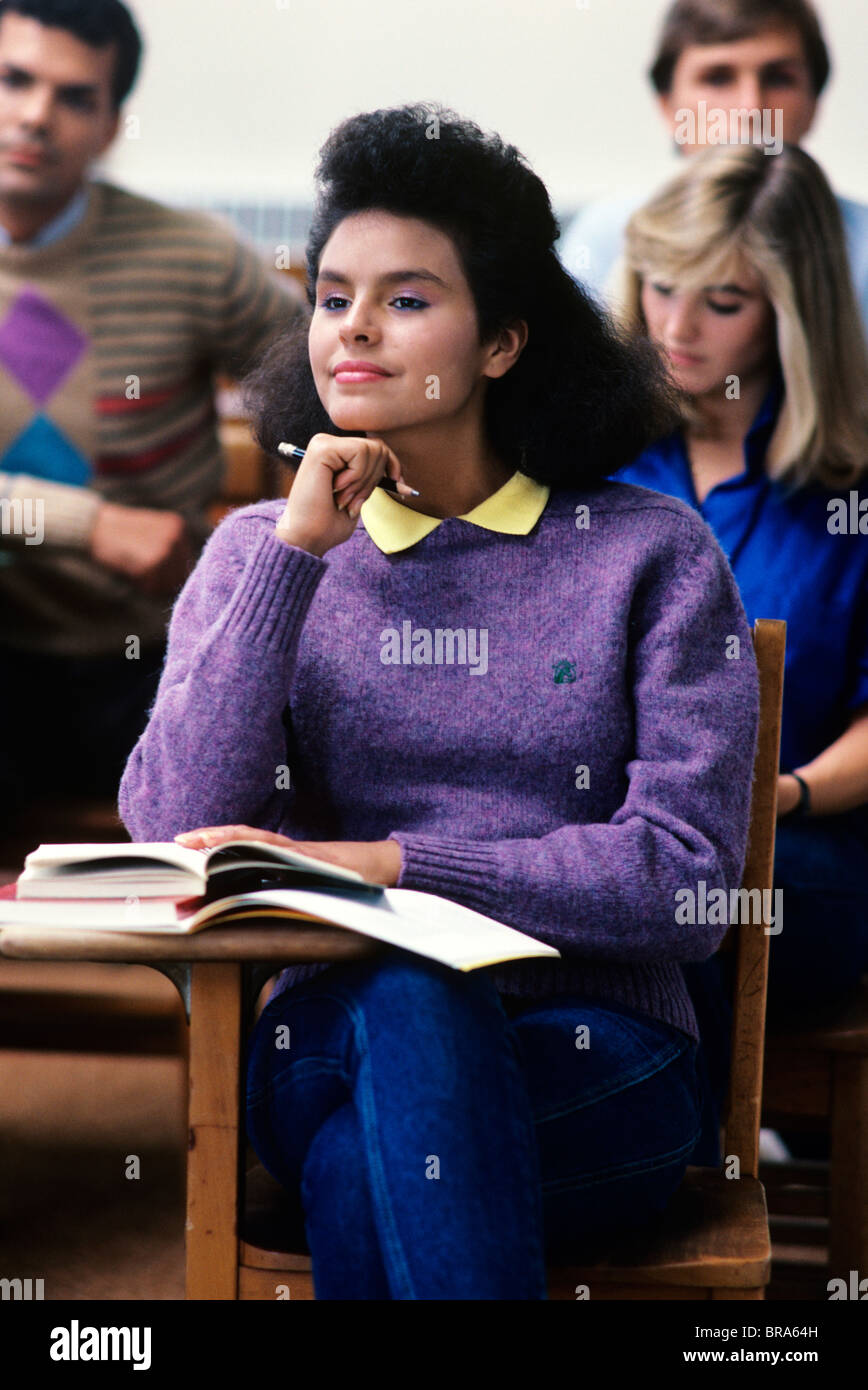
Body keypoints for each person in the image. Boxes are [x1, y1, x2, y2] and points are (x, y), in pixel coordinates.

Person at [119, 103, 759, 1300]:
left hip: (599, 1056)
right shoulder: (263, 550)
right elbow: (172, 830)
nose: (354, 325)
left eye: (407, 299)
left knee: (372, 1178)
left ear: (503, 341)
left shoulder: (645, 553)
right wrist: (296, 559)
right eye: (332, 295)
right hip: (326, 1040)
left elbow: (686, 877)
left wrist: (392, 865)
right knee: (409, 997)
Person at [0, 0, 302, 821]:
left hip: (155, 658)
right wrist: (87, 523)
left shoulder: (189, 258)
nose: (34, 115)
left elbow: (324, 384)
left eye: (73, 97)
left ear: (108, 126)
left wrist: (285, 544)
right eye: (14, 79)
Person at [611, 141, 868, 1024]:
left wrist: (777, 797)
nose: (677, 328)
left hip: (796, 844)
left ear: (792, 314)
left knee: (692, 898)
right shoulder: (589, 464)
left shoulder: (852, 487)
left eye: (723, 301)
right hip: (601, 836)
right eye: (660, 285)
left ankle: (665, 1147)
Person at [559, 0, 868, 333]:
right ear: (669, 107)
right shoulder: (606, 238)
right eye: (718, 78)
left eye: (779, 78)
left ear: (814, 104)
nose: (751, 107)